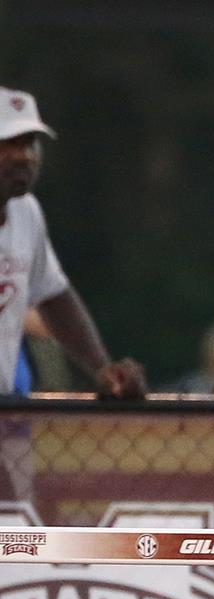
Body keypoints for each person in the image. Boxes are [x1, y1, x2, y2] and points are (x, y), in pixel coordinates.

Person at [0, 87, 145, 399]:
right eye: (7, 147)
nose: (23, 158)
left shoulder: (26, 212)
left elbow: (53, 295)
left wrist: (101, 368)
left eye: (29, 145)